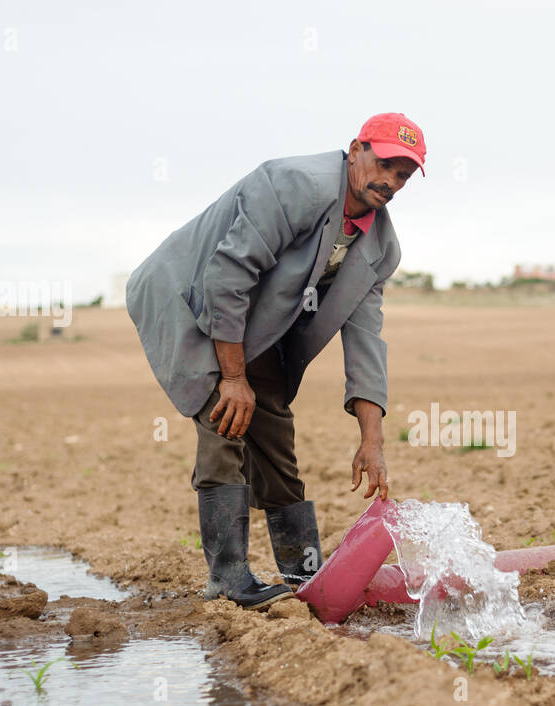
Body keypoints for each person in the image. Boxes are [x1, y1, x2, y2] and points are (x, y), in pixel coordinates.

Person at [126, 112, 425, 609]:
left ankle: (304, 576)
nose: (391, 181)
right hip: (189, 296)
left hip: (255, 321)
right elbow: (227, 276)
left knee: (275, 438)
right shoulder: (295, 185)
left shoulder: (380, 245)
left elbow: (366, 339)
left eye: (404, 174)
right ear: (355, 149)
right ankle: (228, 580)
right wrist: (234, 377)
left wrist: (371, 440)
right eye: (386, 164)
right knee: (224, 419)